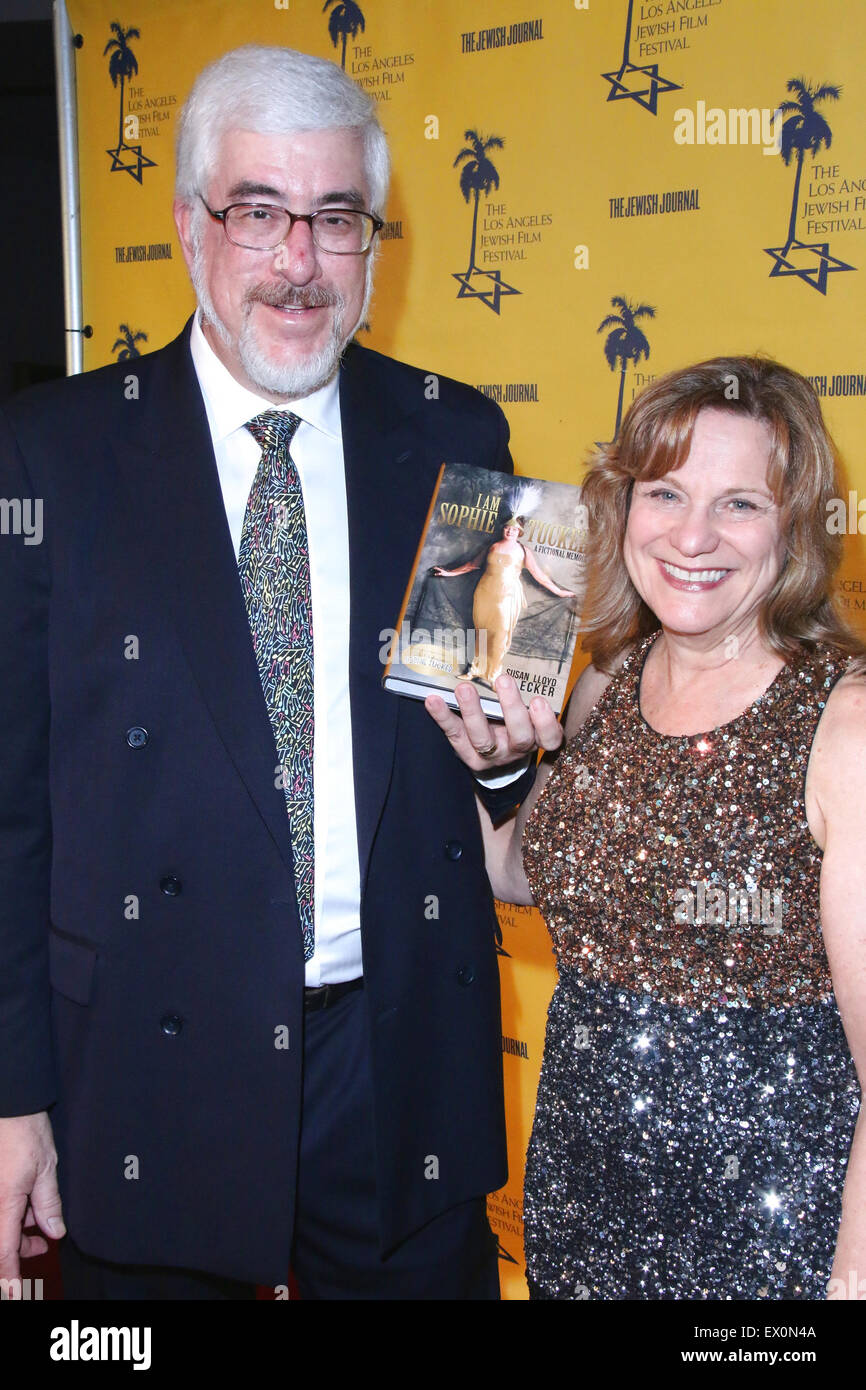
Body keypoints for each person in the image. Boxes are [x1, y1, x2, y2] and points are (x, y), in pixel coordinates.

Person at [0, 44, 555, 1301]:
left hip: (395, 1054)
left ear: (373, 244)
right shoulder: (46, 459)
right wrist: (10, 1102)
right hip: (140, 1064)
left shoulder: (455, 435)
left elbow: (494, 765)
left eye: (335, 219)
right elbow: (9, 814)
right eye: (258, 211)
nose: (298, 261)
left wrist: (512, 750)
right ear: (191, 226)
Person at [428, 356, 866, 1300]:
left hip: (770, 1243)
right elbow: (518, 874)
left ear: (793, 525)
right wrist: (491, 762)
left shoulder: (847, 726)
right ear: (619, 506)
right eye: (665, 492)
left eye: (740, 503)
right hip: (582, 1210)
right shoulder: (606, 683)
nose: (693, 535)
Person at [432, 517, 577, 684]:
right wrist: (449, 573)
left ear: (519, 532)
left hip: (506, 597)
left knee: (499, 635)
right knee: (482, 632)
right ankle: (474, 670)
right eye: (507, 528)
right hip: (485, 593)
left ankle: (493, 676)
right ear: (503, 529)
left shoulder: (524, 551)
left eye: (514, 529)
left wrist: (559, 591)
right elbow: (471, 565)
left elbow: (540, 576)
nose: (510, 531)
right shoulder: (492, 547)